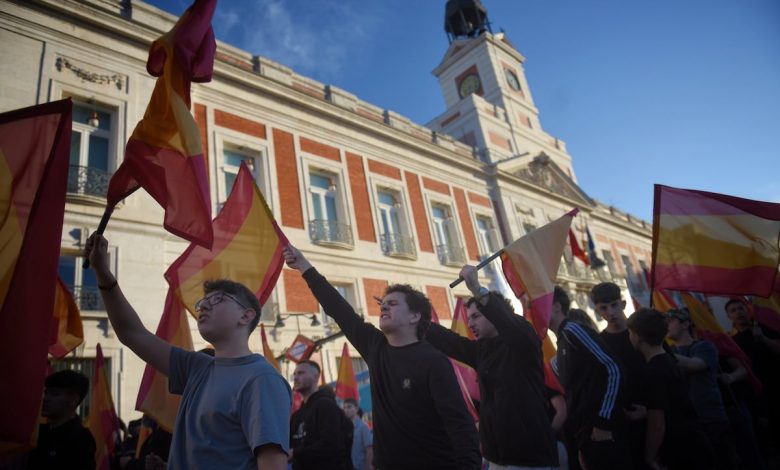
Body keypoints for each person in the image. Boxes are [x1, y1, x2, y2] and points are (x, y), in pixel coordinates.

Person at [84, 232, 290, 470]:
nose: (204, 306)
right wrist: (103, 273)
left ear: (246, 316)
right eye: (202, 303)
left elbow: (272, 464)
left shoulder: (261, 379)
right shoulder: (197, 367)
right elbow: (132, 334)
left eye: (218, 299)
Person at [283, 245, 481, 470]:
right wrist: (304, 266)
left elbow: (460, 426)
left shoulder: (434, 362)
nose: (384, 307)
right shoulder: (375, 346)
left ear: (415, 316)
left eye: (393, 304)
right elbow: (339, 309)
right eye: (383, 304)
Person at [425, 265, 559, 469]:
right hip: (495, 458)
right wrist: (415, 320)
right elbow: (450, 341)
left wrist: (477, 290)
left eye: (476, 316)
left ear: (496, 313)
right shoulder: (481, 350)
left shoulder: (523, 339)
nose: (470, 324)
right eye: (469, 317)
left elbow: (509, 323)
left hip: (530, 459)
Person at [550, 286, 631, 470]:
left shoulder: (573, 330)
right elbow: (576, 394)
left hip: (603, 431)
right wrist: (581, 440)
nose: (531, 311)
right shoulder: (563, 340)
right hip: (587, 434)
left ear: (556, 306)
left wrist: (603, 422)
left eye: (534, 305)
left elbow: (614, 369)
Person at [626, 308, 713, 470]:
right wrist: (646, 411)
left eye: (630, 333)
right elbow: (673, 403)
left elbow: (657, 423)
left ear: (637, 336)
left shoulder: (653, 371)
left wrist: (650, 457)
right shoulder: (671, 361)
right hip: (694, 440)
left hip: (680, 448)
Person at [666, 308, 738, 469]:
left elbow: (696, 365)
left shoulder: (704, 346)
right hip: (687, 422)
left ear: (685, 324)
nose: (665, 326)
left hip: (711, 418)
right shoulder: (669, 352)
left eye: (669, 321)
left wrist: (662, 352)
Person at [590, 282, 646, 468]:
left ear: (623, 304)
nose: (611, 312)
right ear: (598, 311)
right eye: (604, 308)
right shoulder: (599, 343)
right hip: (622, 422)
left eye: (614, 305)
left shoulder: (643, 333)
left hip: (656, 413)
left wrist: (650, 408)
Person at [725, 298, 780, 466]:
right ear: (729, 317)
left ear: (747, 310)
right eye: (733, 310)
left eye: (740, 308)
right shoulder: (732, 341)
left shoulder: (764, 328)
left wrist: (763, 338)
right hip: (756, 394)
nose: (738, 312)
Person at [26, 369, 96, 470]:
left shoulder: (81, 439)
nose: (45, 398)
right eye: (46, 393)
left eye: (54, 394)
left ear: (73, 399)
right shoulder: (37, 433)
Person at [289, 361, 353, 470]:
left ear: (316, 377)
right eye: (294, 374)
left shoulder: (326, 406)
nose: (295, 378)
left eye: (301, 373)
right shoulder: (296, 416)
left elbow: (331, 445)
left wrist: (295, 453)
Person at [343, 398, 373, 470]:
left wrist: (367, 467)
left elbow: (369, 449)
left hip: (359, 466)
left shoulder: (363, 427)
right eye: (344, 407)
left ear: (356, 409)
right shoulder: (344, 427)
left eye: (349, 407)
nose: (346, 410)